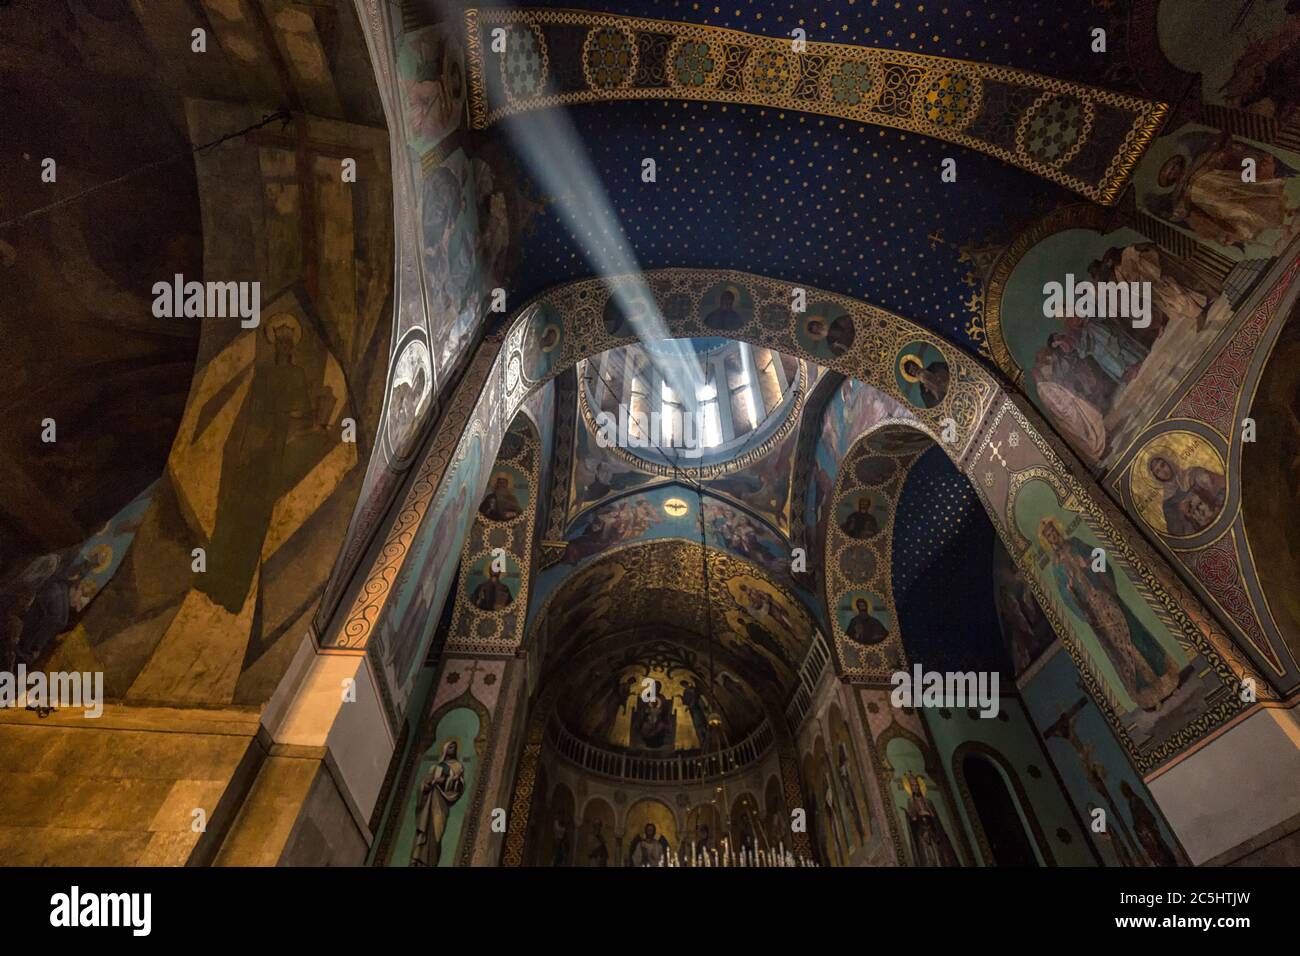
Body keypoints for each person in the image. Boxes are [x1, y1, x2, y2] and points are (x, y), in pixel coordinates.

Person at [1038, 517, 1182, 710]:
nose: (1053, 537)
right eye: (1048, 536)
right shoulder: (1056, 566)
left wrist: (1088, 565)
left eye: (1053, 532)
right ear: (1047, 540)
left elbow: (1098, 556)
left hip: (1106, 599)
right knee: (1121, 653)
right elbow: (1065, 596)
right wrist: (1071, 591)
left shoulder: (1075, 543)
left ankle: (1167, 683)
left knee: (1136, 636)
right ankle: (1150, 696)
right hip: (1095, 614)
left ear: (1058, 530)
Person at [411, 740, 465, 866]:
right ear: (445, 748)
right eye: (451, 746)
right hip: (430, 801)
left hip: (442, 803)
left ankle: (431, 862)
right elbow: (423, 786)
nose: (453, 748)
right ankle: (419, 861)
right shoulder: (434, 767)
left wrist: (445, 781)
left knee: (437, 832)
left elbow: (459, 786)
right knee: (426, 828)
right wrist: (428, 784)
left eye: (455, 747)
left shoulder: (457, 766)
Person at [1147, 454, 1225, 535]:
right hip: (1206, 533)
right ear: (1156, 477)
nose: (1163, 471)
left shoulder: (1192, 474)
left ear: (1168, 462)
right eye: (1158, 471)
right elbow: (1178, 533)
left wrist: (1207, 485)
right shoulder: (1168, 505)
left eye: (1163, 465)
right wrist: (1182, 514)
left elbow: (1222, 485)